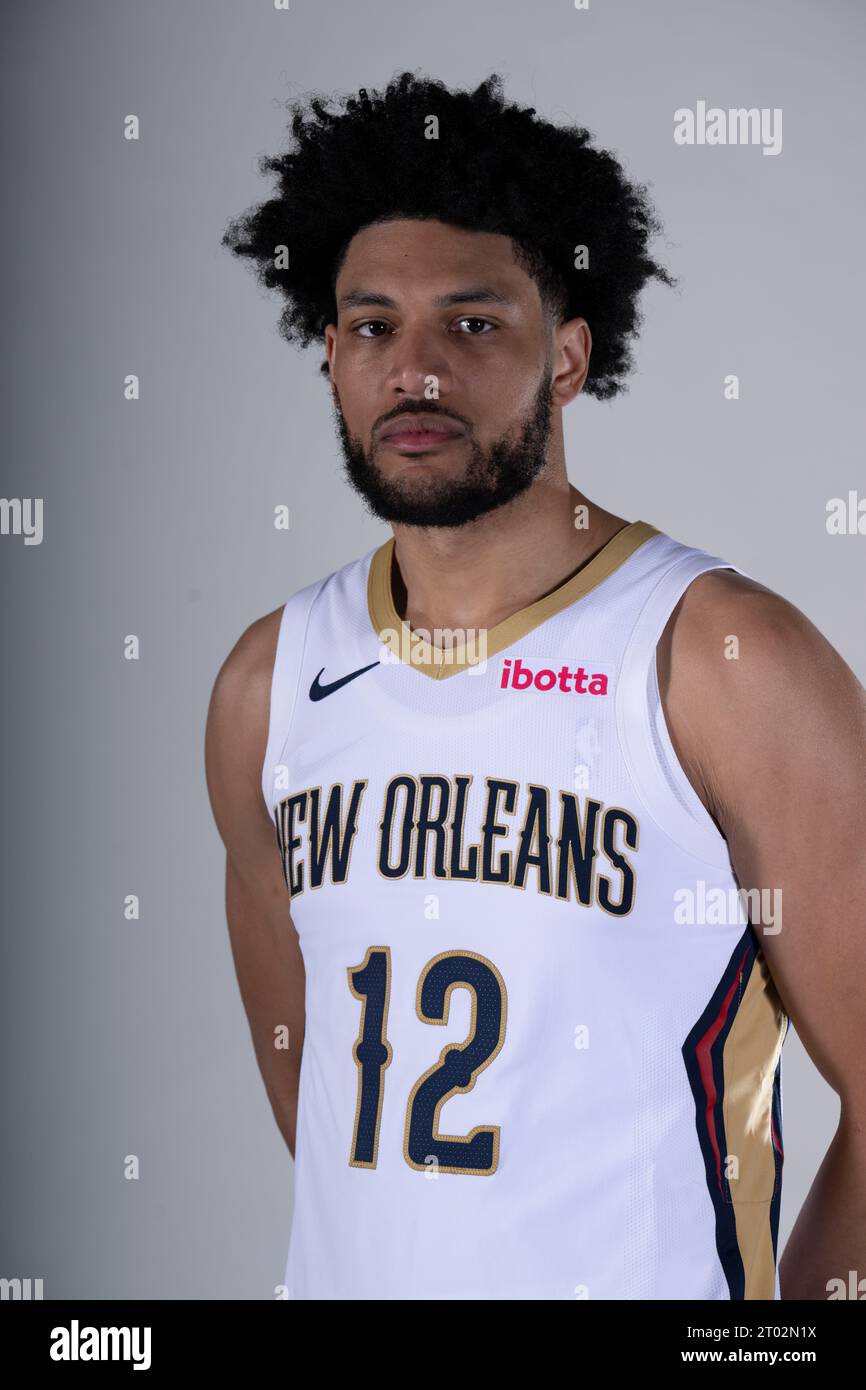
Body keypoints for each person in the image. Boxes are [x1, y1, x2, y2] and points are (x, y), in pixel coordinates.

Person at [205, 72, 866, 1300]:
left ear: (566, 358)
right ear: (330, 358)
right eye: (369, 326)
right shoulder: (269, 682)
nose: (414, 372)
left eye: (470, 325)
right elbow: (324, 1103)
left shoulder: (720, 663)